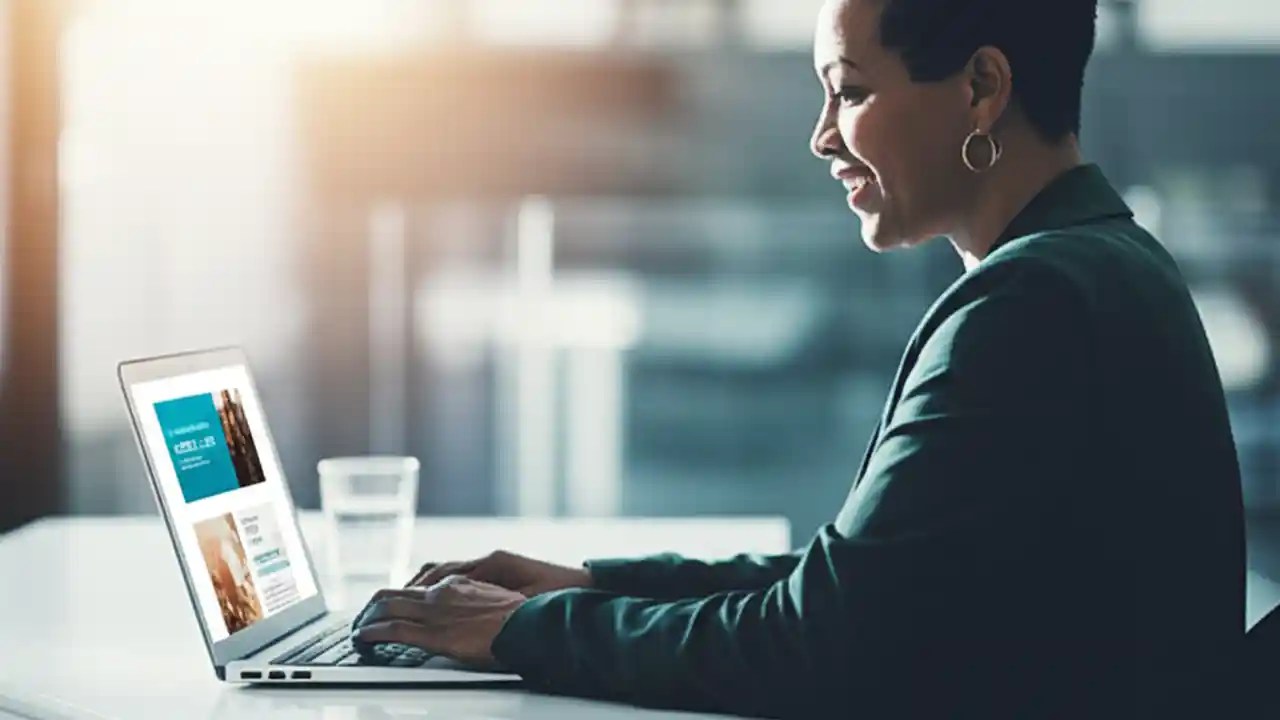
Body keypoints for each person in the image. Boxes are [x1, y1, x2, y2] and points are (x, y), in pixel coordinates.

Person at [352, 0, 1246, 716]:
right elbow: (866, 588)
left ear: (981, 87)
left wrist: (528, 632)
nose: (822, 136)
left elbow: (818, 644)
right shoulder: (1103, 262)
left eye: (849, 91)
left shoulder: (1029, 305)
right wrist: (588, 584)